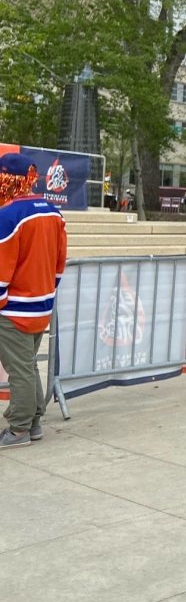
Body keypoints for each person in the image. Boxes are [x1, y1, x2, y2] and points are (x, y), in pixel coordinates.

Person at [0, 154, 68, 449]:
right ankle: (34, 421)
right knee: (28, 365)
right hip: (42, 303)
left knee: (20, 370)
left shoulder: (8, 215)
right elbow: (59, 263)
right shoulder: (52, 212)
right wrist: (48, 291)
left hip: (14, 307)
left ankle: (18, 429)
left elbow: (2, 266)